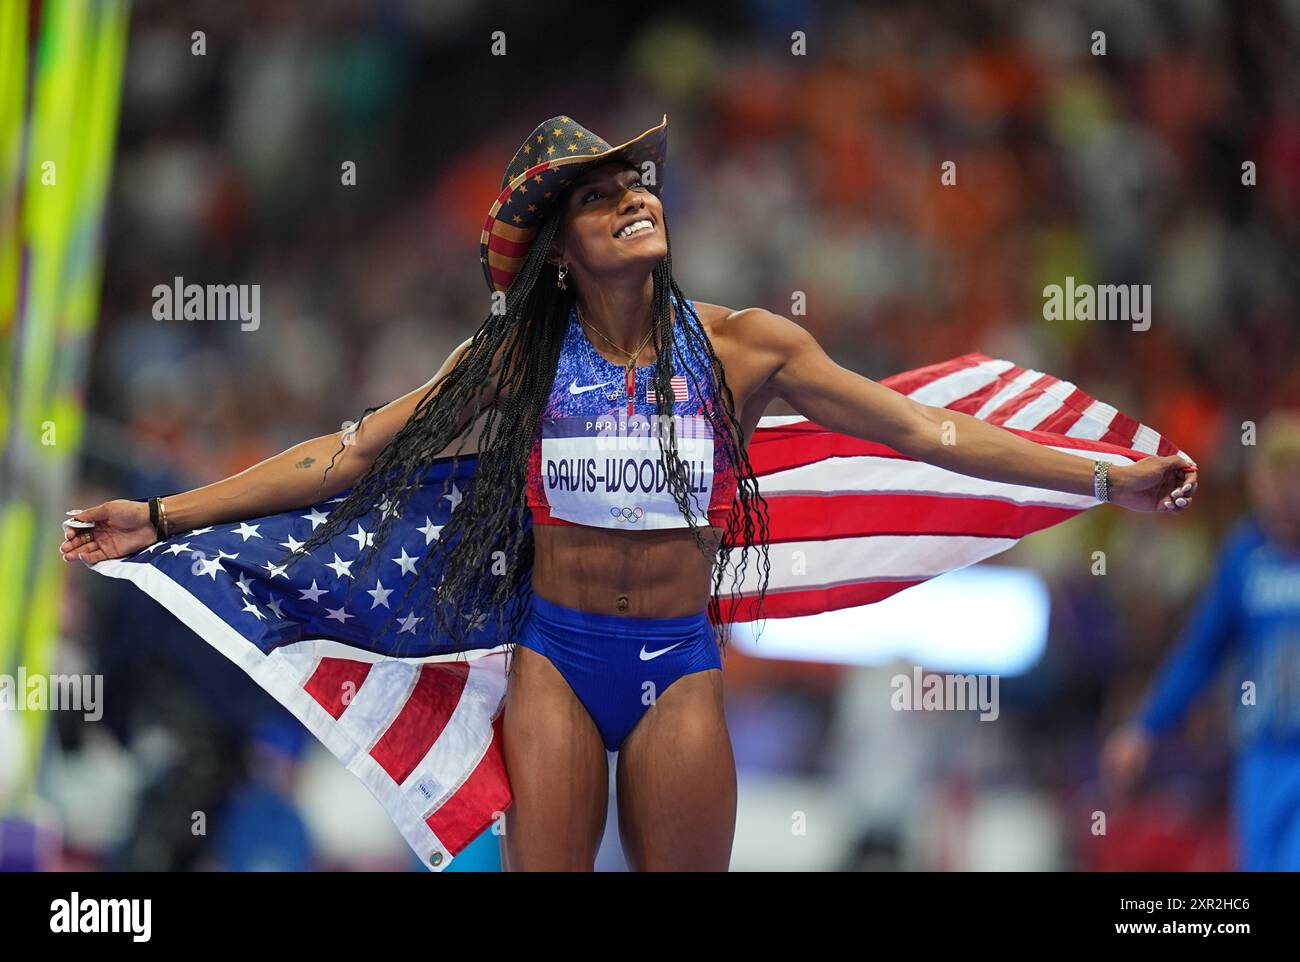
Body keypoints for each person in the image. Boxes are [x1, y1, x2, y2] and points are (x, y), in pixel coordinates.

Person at [60, 114, 1198, 871]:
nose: (633, 199)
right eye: (601, 198)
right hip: (557, 658)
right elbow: (351, 454)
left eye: (635, 185)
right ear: (559, 248)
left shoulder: (749, 348)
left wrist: (1109, 480)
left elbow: (927, 432)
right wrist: (160, 517)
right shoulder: (512, 361)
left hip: (674, 667)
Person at [1103, 410, 1300, 870]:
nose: (1285, 496)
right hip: (1263, 750)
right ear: (1259, 485)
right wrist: (1146, 726)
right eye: (1275, 480)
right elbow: (1201, 651)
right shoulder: (1245, 555)